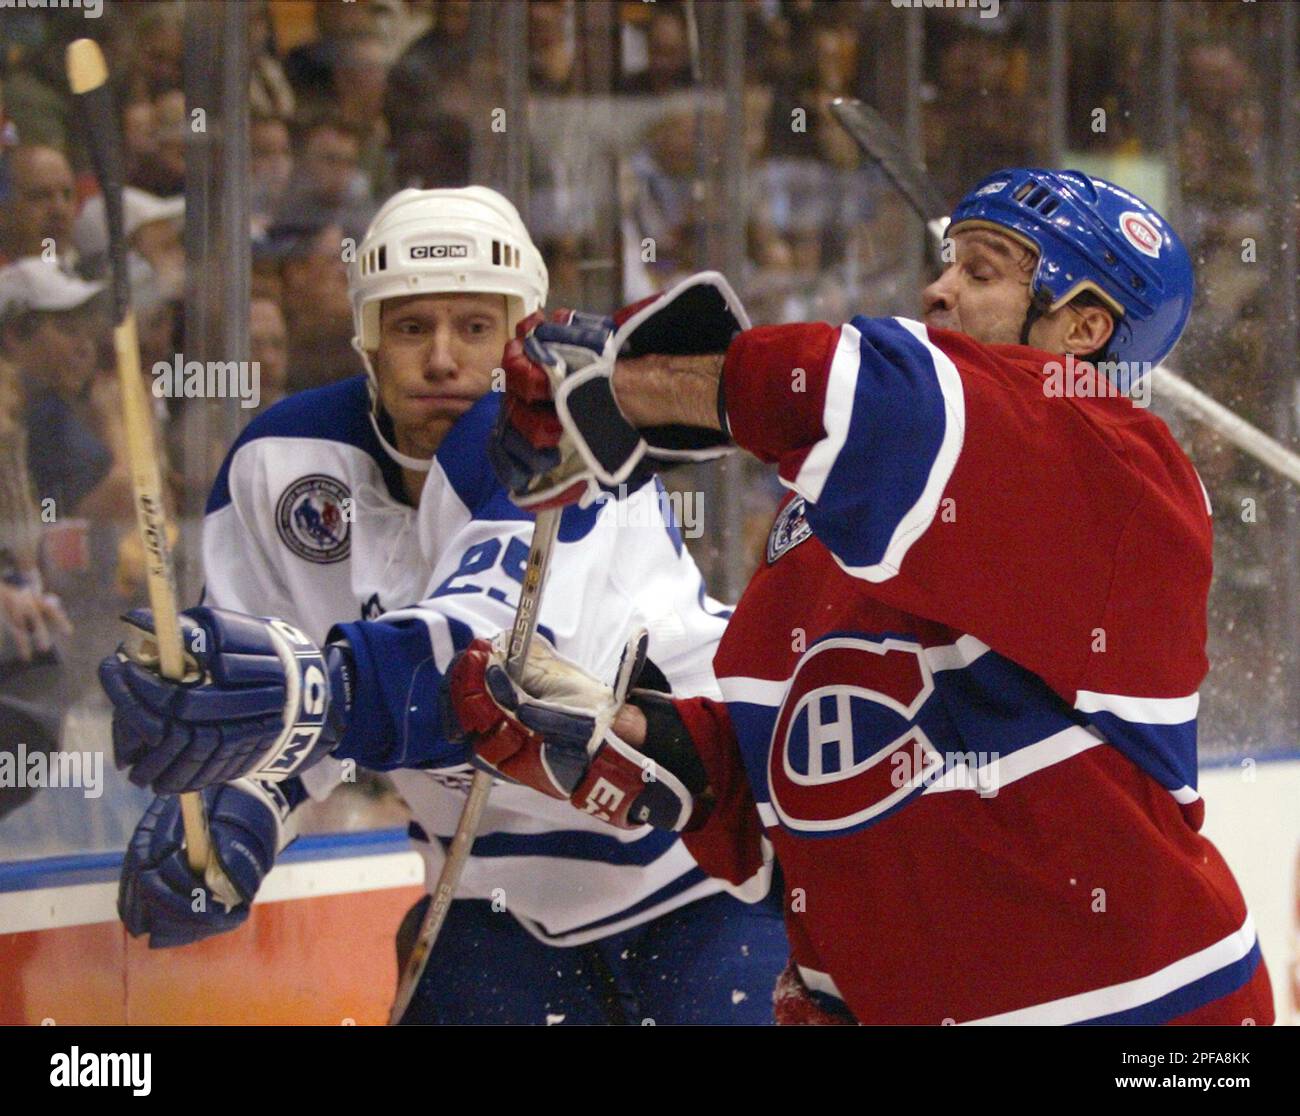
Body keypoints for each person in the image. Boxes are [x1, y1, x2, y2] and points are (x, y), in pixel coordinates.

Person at [463, 168, 1275, 1025]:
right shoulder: (838, 524)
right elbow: (816, 789)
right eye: (948, 261)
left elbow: (881, 396)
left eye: (983, 271)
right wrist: (632, 739)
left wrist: (628, 384)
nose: (939, 287)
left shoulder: (1123, 476)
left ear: (1083, 329)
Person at [99, 187, 787, 1025]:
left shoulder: (569, 449)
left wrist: (304, 691)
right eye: (411, 327)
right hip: (492, 901)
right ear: (368, 341)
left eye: (474, 328)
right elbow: (261, 691)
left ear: (523, 337)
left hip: (697, 878)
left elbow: (475, 669)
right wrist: (232, 820)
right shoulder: (283, 462)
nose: (441, 361)